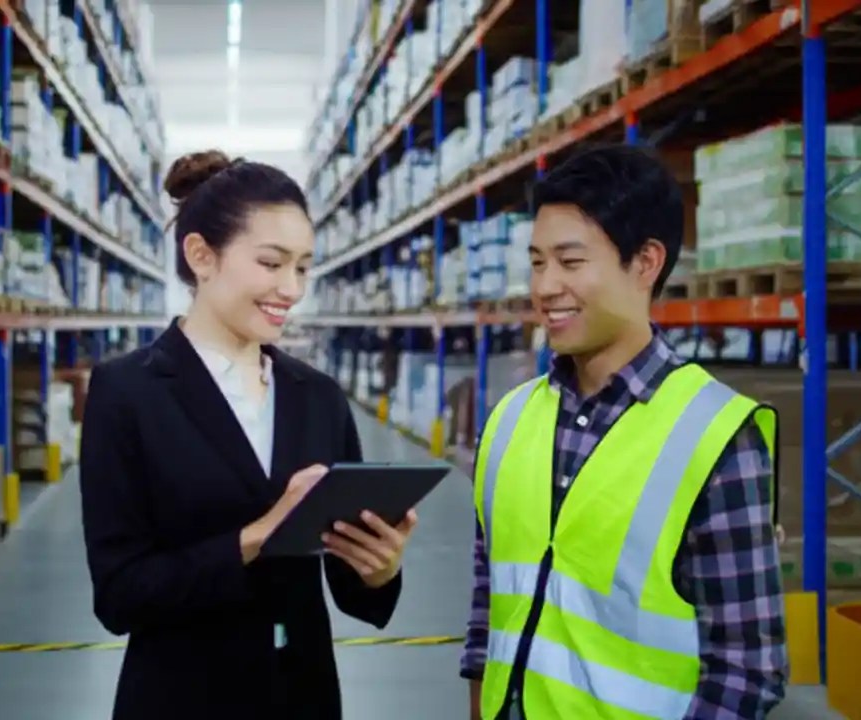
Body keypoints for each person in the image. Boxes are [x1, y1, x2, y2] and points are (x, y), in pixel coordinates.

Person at [80, 150, 418, 720]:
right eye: (271, 263)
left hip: (302, 697)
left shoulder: (317, 397)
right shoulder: (128, 393)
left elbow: (350, 589)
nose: (291, 288)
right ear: (201, 256)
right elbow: (120, 595)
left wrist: (380, 568)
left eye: (304, 268)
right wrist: (256, 536)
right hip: (180, 700)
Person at [460, 143, 788, 719]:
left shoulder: (715, 438)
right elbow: (488, 614)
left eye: (570, 261)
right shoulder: (510, 421)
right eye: (537, 263)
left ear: (645, 263)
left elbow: (745, 672)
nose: (545, 287)